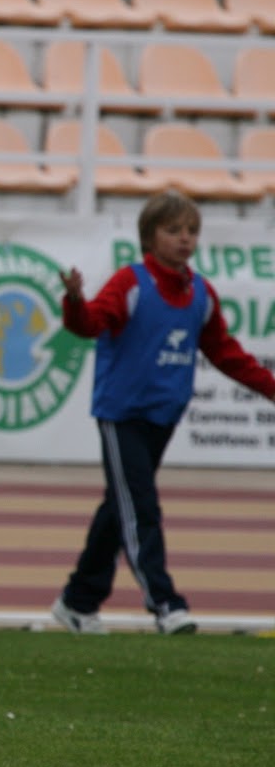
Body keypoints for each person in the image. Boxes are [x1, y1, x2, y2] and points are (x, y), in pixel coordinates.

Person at [53, 190, 275, 636]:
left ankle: (78, 601)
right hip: (122, 414)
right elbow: (89, 323)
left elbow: (225, 353)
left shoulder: (200, 294)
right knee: (141, 507)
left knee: (121, 507)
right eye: (173, 230)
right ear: (148, 237)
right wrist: (74, 301)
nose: (185, 239)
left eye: (191, 231)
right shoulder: (130, 283)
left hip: (163, 417)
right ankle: (166, 603)